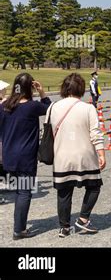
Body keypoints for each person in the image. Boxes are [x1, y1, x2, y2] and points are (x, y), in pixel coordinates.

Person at [48, 73, 106, 238]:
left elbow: (49, 133)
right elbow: (95, 133)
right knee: (94, 186)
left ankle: (64, 227)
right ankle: (83, 218)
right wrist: (101, 153)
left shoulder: (53, 107)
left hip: (62, 156)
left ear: (64, 88)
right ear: (81, 89)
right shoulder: (88, 108)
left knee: (64, 192)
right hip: (84, 155)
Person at [0, 73, 51, 240]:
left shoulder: (4, 106)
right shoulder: (32, 106)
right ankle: (19, 230)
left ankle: (19, 224)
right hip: (25, 158)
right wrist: (42, 92)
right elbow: (50, 110)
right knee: (24, 192)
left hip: (8, 157)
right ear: (30, 88)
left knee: (18, 191)